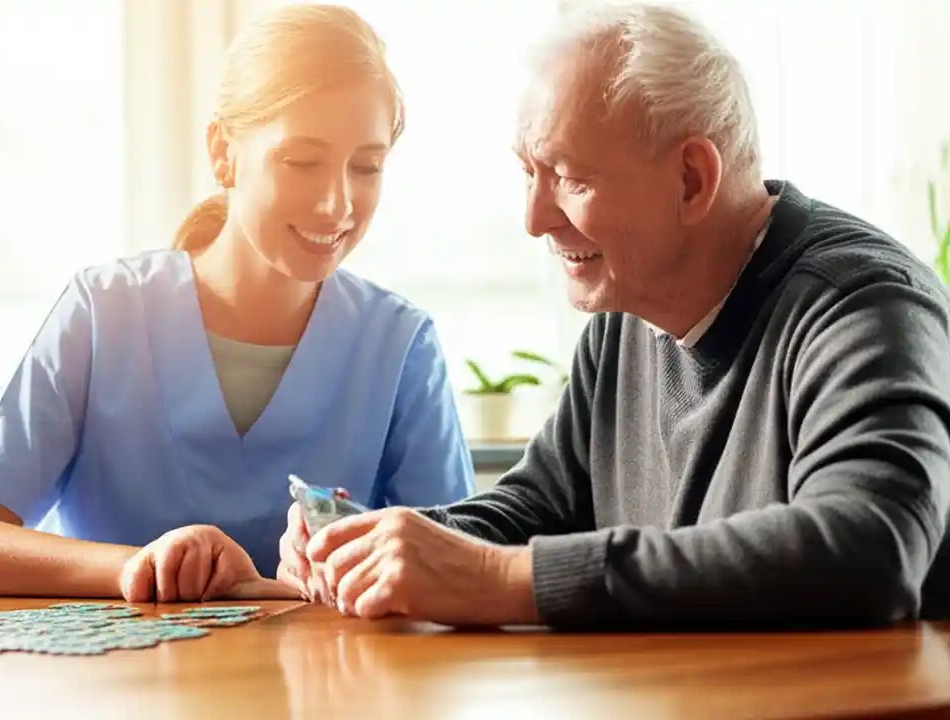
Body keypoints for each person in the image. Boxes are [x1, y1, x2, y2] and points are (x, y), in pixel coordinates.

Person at [278, 1, 950, 629]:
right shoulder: (627, 311)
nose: (535, 219)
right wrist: (367, 546)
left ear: (692, 179)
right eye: (529, 173)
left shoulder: (864, 306)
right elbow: (540, 508)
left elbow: (870, 548)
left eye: (570, 178)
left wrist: (496, 578)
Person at [0, 4, 474, 603]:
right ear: (223, 152)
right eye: (302, 162)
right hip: (114, 664)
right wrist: (137, 568)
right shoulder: (103, 314)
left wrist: (291, 587)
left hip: (320, 668)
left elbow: (458, 569)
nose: (336, 204)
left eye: (366, 167)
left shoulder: (399, 345)